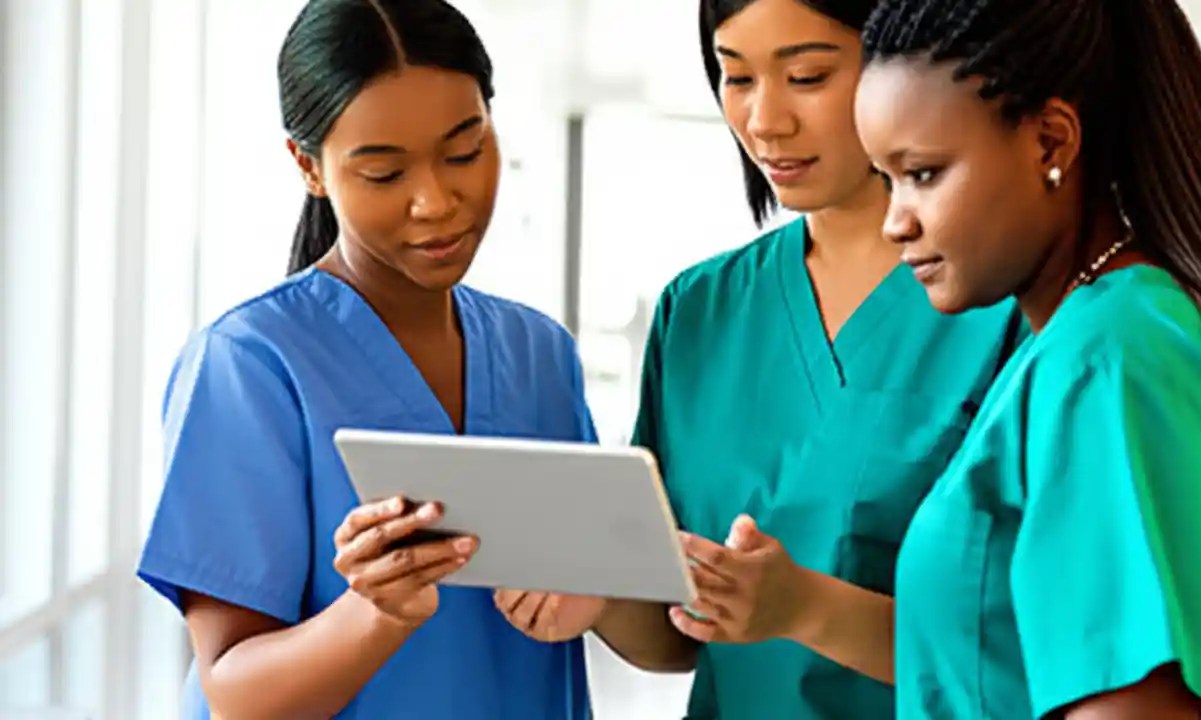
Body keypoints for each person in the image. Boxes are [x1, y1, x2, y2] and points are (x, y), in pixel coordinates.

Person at [494, 0, 1024, 717]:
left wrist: (809, 608)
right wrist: (604, 598)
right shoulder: (699, 310)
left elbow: (1041, 643)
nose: (764, 121)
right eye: (735, 77)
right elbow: (681, 637)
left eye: (806, 75)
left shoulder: (1006, 308)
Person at [135, 1, 594, 718]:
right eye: (383, 173)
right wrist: (376, 613)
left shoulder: (539, 353)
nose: (437, 202)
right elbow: (234, 692)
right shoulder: (250, 365)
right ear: (308, 166)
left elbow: (605, 583)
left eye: (465, 152)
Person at [853, 0, 1201, 718]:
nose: (896, 221)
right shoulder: (1109, 336)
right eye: (884, 180)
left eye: (923, 173)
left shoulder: (1109, 361)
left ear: (1051, 141)